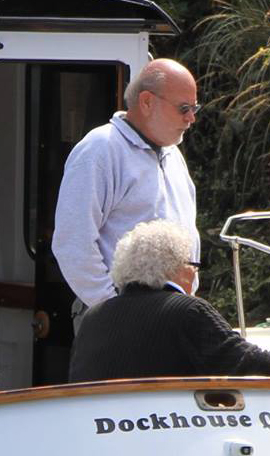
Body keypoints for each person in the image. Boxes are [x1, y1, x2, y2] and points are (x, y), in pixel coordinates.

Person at [69, 220, 270, 404]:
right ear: (177, 269)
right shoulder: (187, 311)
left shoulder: (94, 318)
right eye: (193, 266)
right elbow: (249, 362)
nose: (195, 276)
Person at [52, 58, 200, 327]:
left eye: (194, 108)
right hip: (114, 320)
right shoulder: (100, 149)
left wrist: (185, 303)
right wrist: (115, 310)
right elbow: (73, 245)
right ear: (146, 102)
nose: (192, 118)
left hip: (170, 316)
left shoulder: (173, 155)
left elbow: (189, 234)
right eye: (184, 108)